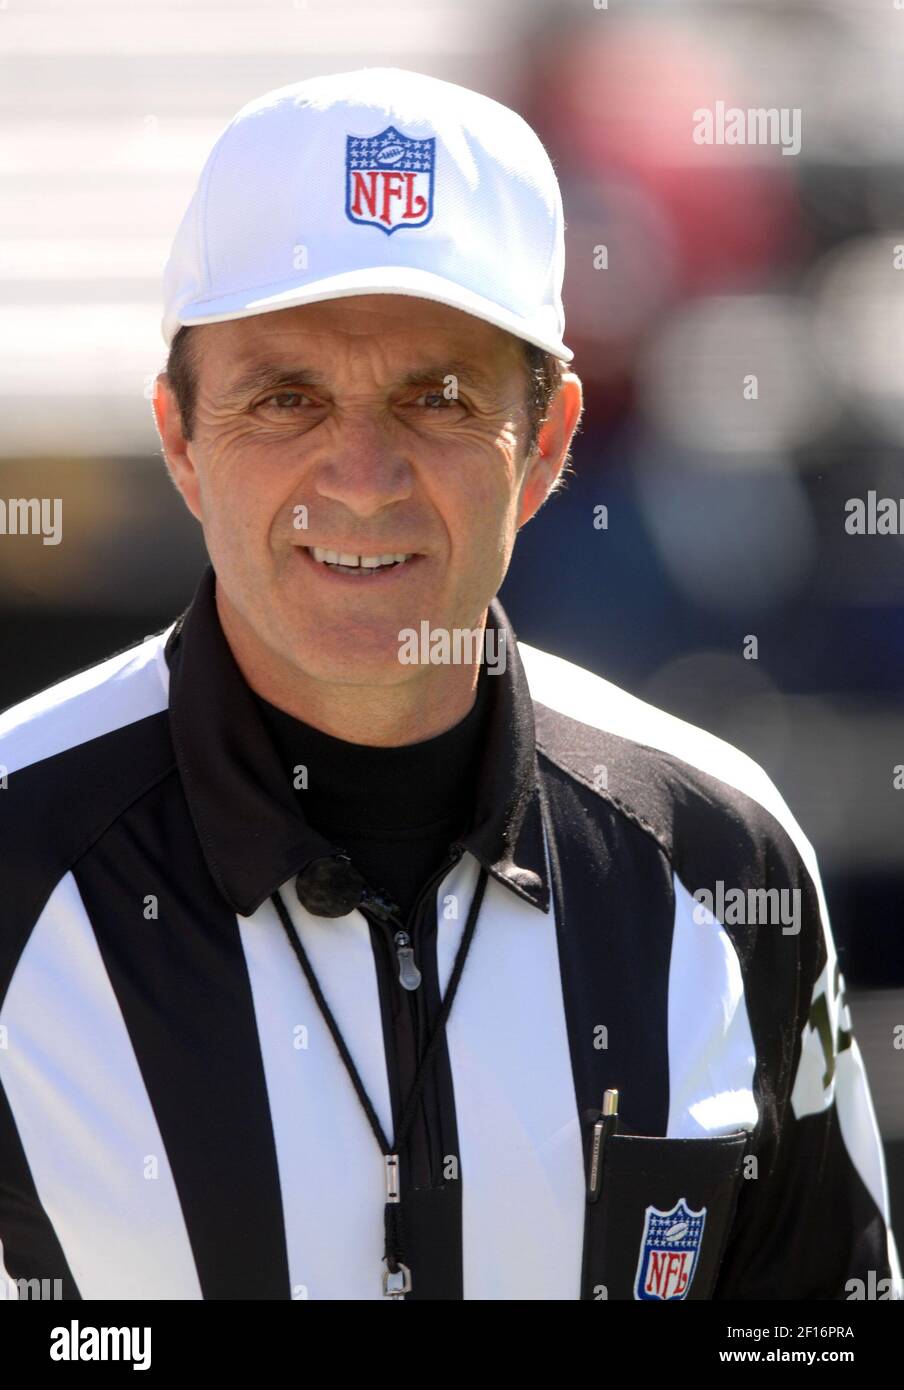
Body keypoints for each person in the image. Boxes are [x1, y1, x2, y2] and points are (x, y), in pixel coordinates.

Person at [0, 67, 898, 1302]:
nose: (362, 477)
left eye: (437, 397)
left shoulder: (719, 854)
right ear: (178, 437)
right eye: (286, 396)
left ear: (546, 444)